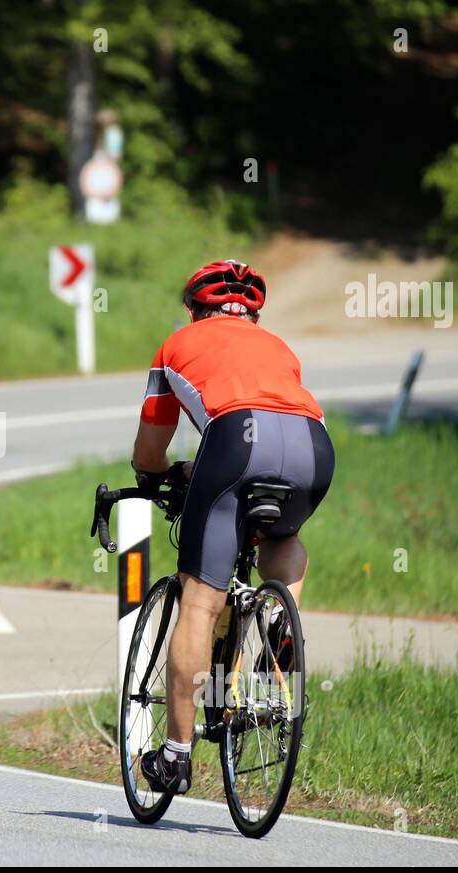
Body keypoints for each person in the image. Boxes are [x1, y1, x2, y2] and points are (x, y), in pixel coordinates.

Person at [129, 259, 335, 800]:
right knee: (283, 537)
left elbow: (154, 440)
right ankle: (277, 620)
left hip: (237, 444)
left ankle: (174, 755)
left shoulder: (177, 346)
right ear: (253, 314)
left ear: (195, 309)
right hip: (313, 448)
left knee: (200, 602)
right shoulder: (279, 348)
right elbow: (271, 413)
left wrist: (152, 477)